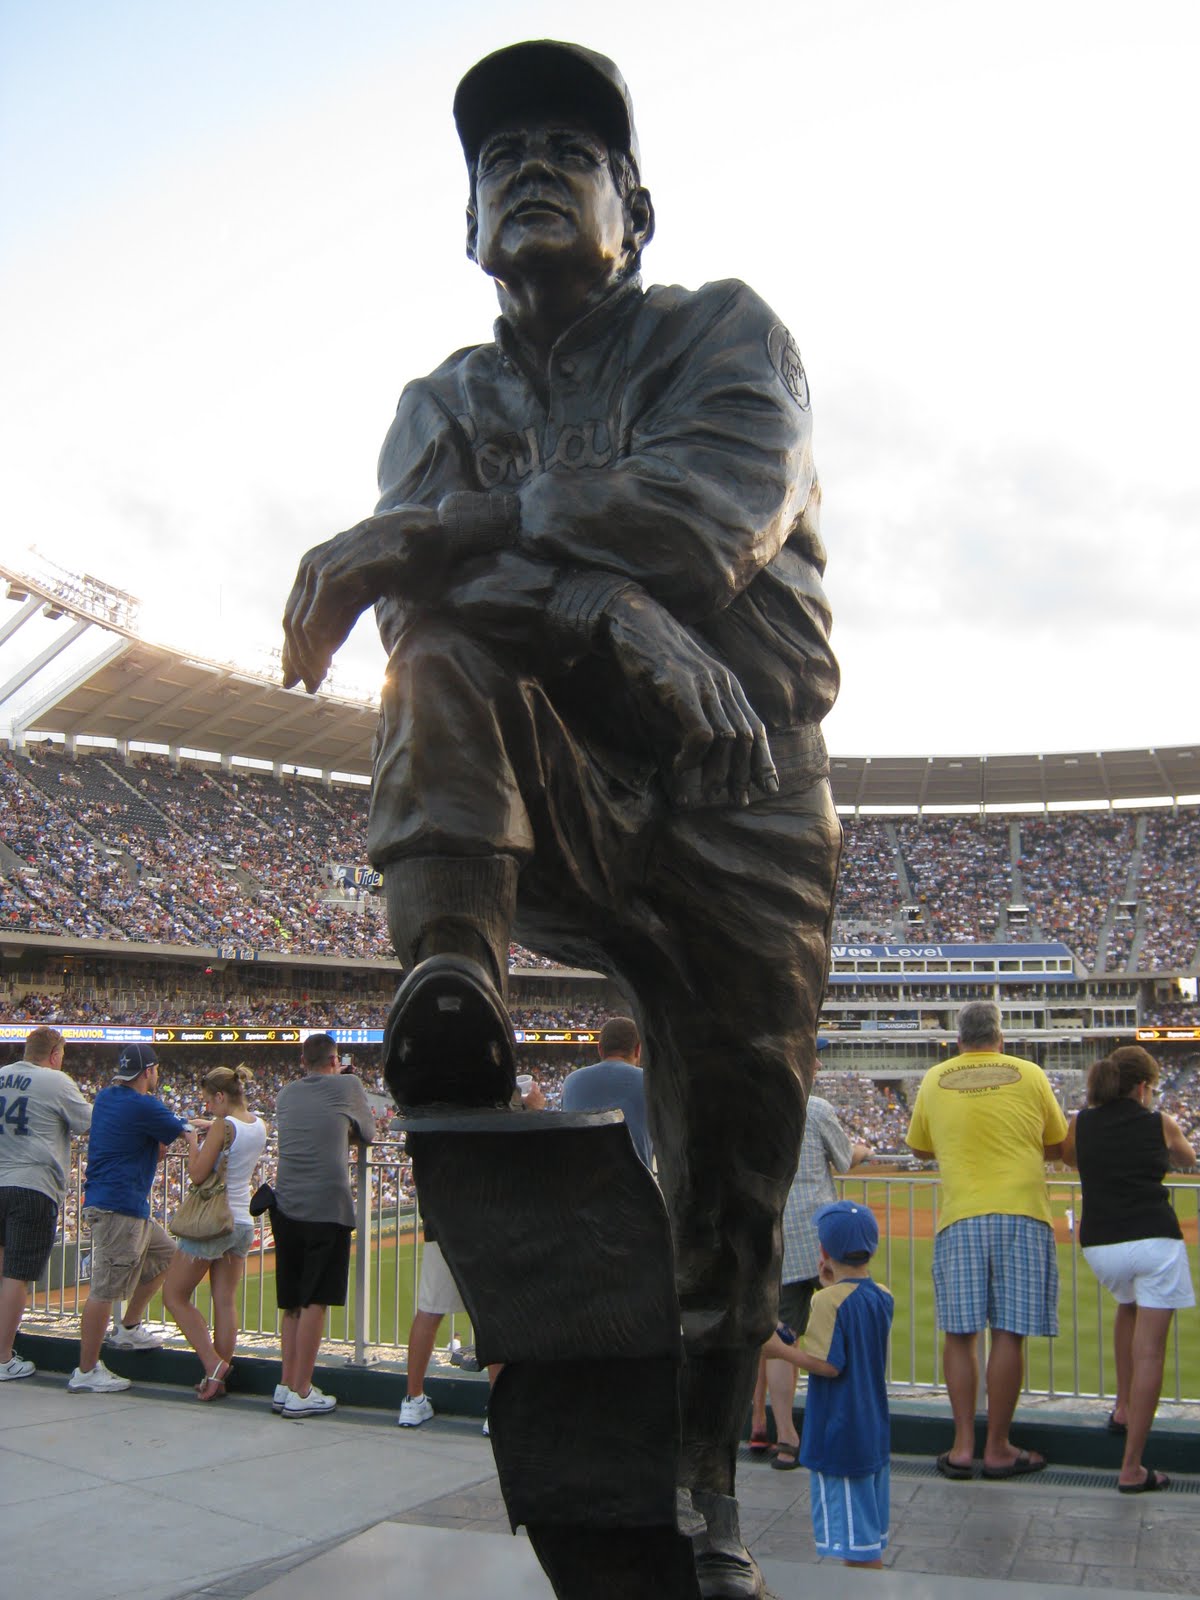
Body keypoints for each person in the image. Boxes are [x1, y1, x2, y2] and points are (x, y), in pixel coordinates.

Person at [282, 41, 840, 1595]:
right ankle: (453, 980)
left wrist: (468, 536)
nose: (529, 165)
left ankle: (699, 1503)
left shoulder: (725, 332)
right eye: (499, 154)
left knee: (727, 1187)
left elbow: (707, 510)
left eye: (569, 151)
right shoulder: (438, 398)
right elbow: (424, 613)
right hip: (560, 772)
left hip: (749, 794)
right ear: (468, 223)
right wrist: (607, 613)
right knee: (442, 650)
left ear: (635, 209)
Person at [906, 1000, 1067, 1479]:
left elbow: (919, 1147)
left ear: (959, 1041)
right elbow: (1056, 1143)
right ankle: (998, 1447)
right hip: (1023, 1211)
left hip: (960, 1216)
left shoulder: (935, 1079)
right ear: (1001, 1038)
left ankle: (961, 1447)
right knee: (1009, 1333)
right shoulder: (1030, 1073)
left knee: (960, 1334)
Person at [1061, 1046, 1196, 1493]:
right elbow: (1187, 1159)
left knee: (1127, 1306)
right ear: (1142, 1087)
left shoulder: (1082, 1122)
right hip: (1154, 1240)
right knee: (1151, 1354)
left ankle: (1121, 1406)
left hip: (1102, 1245)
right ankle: (1132, 1466)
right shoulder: (1159, 1122)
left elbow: (1069, 1157)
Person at [761, 1199, 893, 1568]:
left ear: (823, 1251)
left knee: (856, 1547)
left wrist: (780, 1351)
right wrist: (831, 1284)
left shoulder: (828, 1302)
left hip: (840, 1434)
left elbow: (828, 1365)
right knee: (868, 1539)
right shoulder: (883, 1296)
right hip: (872, 1431)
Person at [749, 1092, 871, 1469]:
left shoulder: (758, 1108)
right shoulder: (815, 1108)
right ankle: (850, 1428)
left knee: (782, 1338)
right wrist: (862, 1151)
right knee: (845, 1328)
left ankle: (786, 1436)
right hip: (823, 1244)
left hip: (777, 1238)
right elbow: (844, 1161)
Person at [70, 1043, 187, 1393]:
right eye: (155, 1070)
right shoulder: (143, 1104)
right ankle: (87, 1371)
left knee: (168, 1255)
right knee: (104, 1289)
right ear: (148, 1071)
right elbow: (178, 1133)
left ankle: (130, 1326)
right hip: (118, 1207)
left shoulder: (107, 1097)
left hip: (123, 1204)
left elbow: (154, 1142)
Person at [271, 1032, 374, 1417]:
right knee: (316, 1299)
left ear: (303, 1061)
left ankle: (285, 1384)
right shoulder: (347, 1084)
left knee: (293, 1301)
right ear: (334, 1060)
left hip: (286, 1205)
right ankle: (302, 1390)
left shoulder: (285, 1094)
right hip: (326, 1207)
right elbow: (369, 1132)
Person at [162, 1064, 268, 1400]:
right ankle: (217, 1381)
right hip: (241, 1222)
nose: (208, 1107)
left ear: (221, 1096)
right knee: (224, 1301)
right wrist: (213, 1129)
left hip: (212, 1223)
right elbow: (233, 1138)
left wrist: (194, 1139)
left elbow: (196, 1173)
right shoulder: (258, 1124)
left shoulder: (222, 1126)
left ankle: (213, 1365)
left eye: (209, 1101)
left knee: (174, 1295)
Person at [0, 1026, 92, 1380]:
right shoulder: (56, 1081)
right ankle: (4, 1357)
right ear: (55, 1054)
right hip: (32, 1185)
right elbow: (86, 1123)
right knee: (15, 1277)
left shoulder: (3, 1075)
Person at [560, 1016, 652, 1169]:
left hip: (580, 1184)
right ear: (638, 1050)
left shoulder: (571, 1081)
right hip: (636, 1186)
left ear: (600, 1049)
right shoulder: (649, 1082)